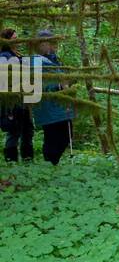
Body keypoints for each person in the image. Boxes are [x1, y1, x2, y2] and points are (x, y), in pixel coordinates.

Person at [32, 29, 74, 165]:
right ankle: (50, 164)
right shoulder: (35, 62)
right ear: (43, 44)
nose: (54, 46)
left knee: (65, 136)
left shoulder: (53, 60)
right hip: (48, 108)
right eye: (51, 43)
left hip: (60, 108)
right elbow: (34, 89)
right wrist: (59, 84)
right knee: (53, 138)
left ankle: (52, 163)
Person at [0, 28, 34, 162]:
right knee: (13, 131)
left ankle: (28, 160)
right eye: (14, 39)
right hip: (12, 101)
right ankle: (11, 161)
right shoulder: (4, 56)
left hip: (23, 99)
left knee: (28, 130)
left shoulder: (18, 54)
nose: (18, 41)